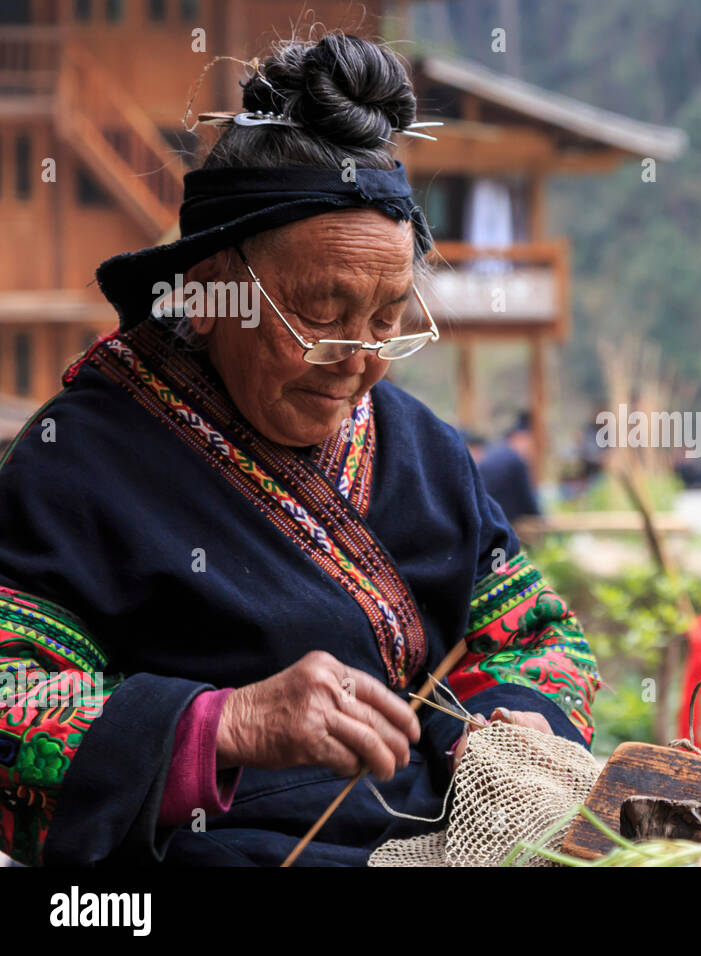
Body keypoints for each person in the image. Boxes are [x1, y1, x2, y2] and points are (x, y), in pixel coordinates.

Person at [0, 34, 600, 867]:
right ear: (208, 292)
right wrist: (227, 724)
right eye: (319, 314)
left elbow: (539, 636)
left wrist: (516, 715)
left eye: (387, 320)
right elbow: (13, 697)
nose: (358, 362)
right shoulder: (78, 462)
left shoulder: (421, 450)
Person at [477, 412, 542, 523]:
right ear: (518, 438)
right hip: (502, 518)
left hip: (486, 516)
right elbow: (526, 498)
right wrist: (540, 519)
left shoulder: (493, 453)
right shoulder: (515, 461)